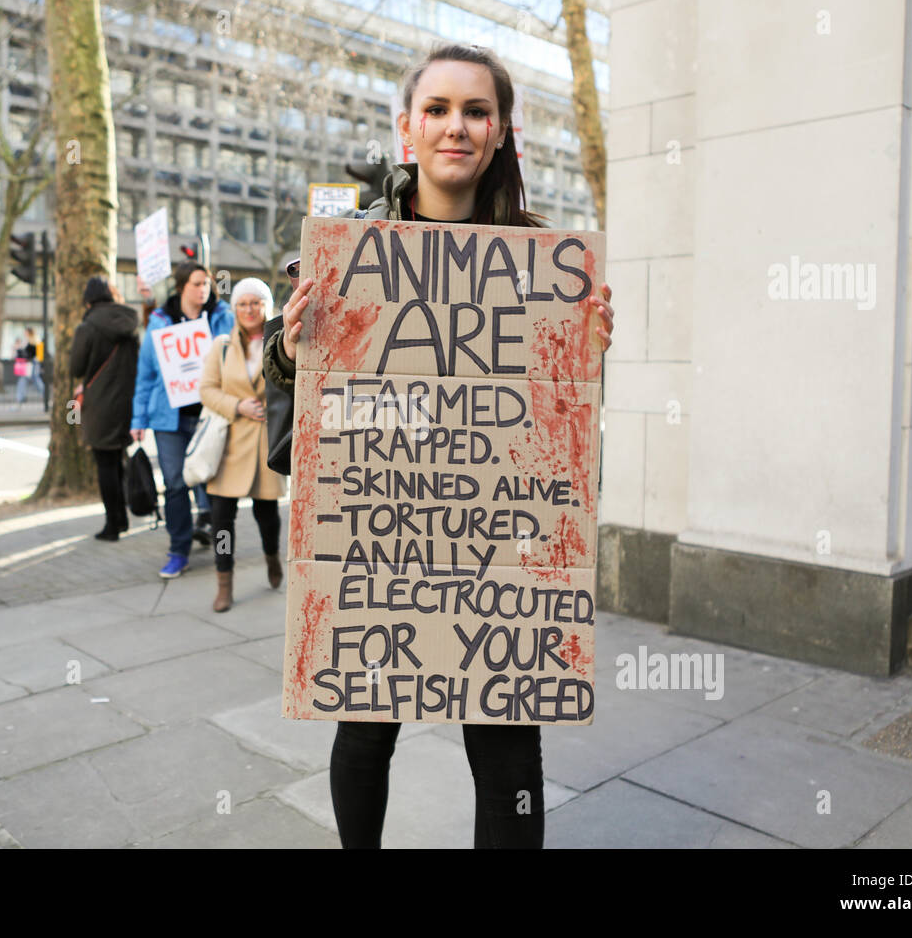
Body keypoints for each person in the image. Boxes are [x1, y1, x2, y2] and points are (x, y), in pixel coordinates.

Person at [262, 44, 617, 849]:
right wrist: (290, 345)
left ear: (499, 133)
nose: (456, 126)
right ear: (407, 129)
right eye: (438, 109)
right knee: (365, 730)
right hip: (381, 526)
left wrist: (585, 348)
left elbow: (554, 419)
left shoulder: (543, 260)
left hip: (497, 535)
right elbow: (296, 386)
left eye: (476, 111)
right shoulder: (350, 248)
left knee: (506, 750)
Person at [131, 261, 233, 578]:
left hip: (210, 415)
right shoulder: (160, 321)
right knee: (175, 484)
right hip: (169, 419)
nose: (203, 290)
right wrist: (138, 418)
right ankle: (178, 550)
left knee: (216, 483)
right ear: (181, 287)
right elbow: (146, 375)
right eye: (196, 284)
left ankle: (223, 550)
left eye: (206, 284)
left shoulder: (222, 316)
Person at [197, 277, 286, 612]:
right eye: (243, 304)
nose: (249, 309)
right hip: (230, 447)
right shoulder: (221, 346)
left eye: (256, 302)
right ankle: (224, 583)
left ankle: (272, 558)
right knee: (222, 519)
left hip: (267, 443)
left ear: (267, 306)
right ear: (234, 309)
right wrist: (238, 406)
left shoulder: (280, 341)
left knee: (267, 516)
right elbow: (206, 390)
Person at [70, 277, 139, 541]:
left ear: (88, 299)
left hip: (99, 404)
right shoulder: (130, 321)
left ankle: (114, 523)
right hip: (128, 400)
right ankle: (122, 518)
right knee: (118, 460)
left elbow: (76, 368)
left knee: (105, 465)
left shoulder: (87, 327)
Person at [14, 327, 45, 407]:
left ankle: (44, 394)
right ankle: (20, 398)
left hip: (31, 363)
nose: (25, 334)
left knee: (34, 379)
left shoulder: (32, 341)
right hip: (30, 363)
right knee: (26, 379)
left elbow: (35, 354)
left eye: (26, 332)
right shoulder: (33, 340)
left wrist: (19, 349)